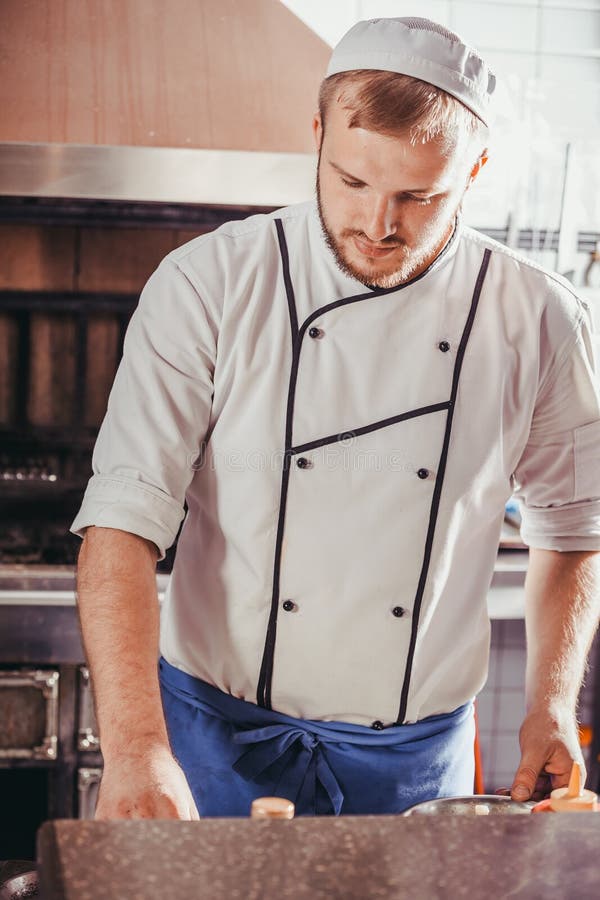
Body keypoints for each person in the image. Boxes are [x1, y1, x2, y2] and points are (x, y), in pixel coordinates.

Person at [71, 17, 600, 819]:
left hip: (415, 761)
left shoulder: (541, 318)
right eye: (352, 181)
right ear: (316, 135)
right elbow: (122, 520)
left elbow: (573, 528)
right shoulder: (209, 284)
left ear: (477, 169)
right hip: (212, 738)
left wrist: (552, 700)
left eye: (418, 196)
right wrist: (136, 746)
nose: (378, 224)